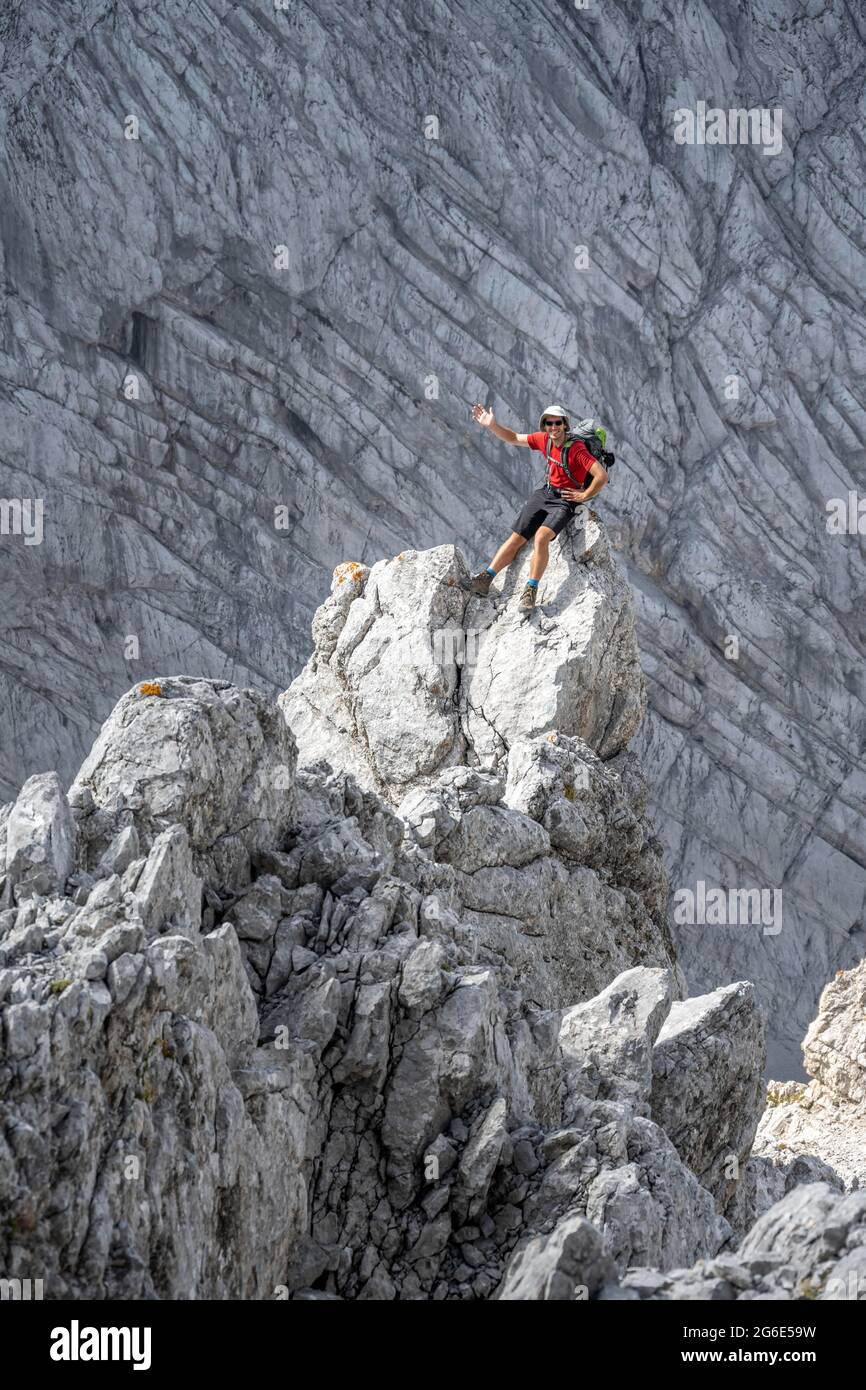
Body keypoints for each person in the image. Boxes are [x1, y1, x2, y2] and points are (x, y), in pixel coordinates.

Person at [468, 403, 609, 610]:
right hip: (545, 493)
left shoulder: (577, 450)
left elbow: (602, 476)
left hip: (565, 500)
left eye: (557, 423)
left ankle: (530, 591)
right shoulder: (544, 440)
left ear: (565, 425)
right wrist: (492, 425)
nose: (553, 427)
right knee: (516, 537)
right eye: (549, 423)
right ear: (545, 425)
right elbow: (514, 438)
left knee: (542, 537)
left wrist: (584, 495)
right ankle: (486, 579)